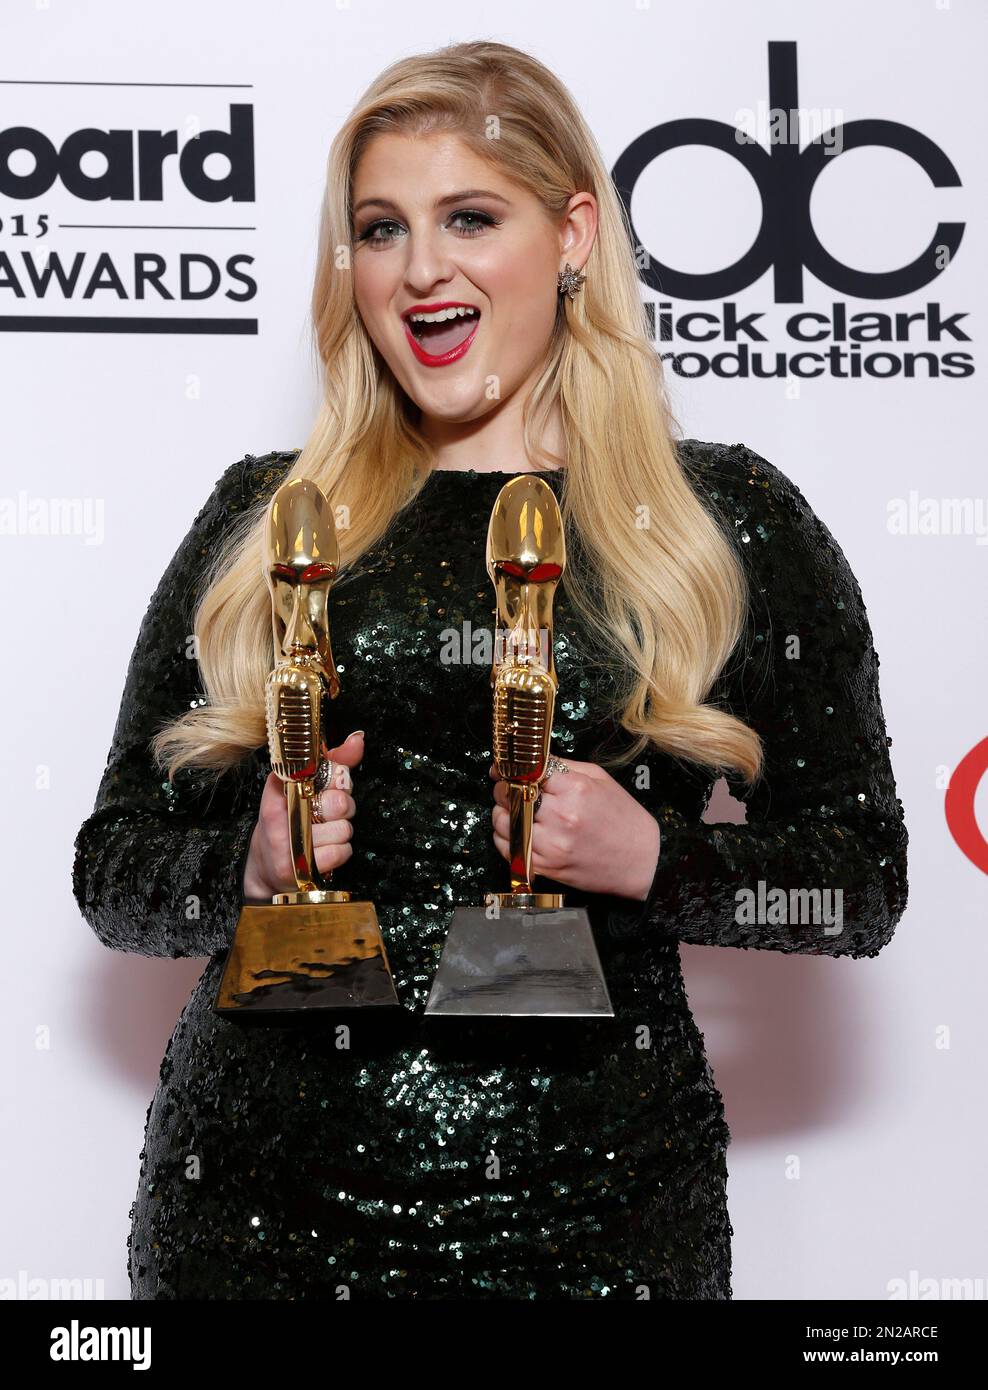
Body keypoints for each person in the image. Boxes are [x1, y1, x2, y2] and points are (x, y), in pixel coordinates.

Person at [72, 39, 909, 1300]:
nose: (421, 269)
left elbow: (863, 885)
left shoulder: (720, 521)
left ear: (573, 233)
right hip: (255, 1213)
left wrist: (656, 861)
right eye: (379, 227)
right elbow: (112, 871)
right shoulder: (270, 518)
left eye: (469, 216)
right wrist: (239, 870)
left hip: (598, 1217)